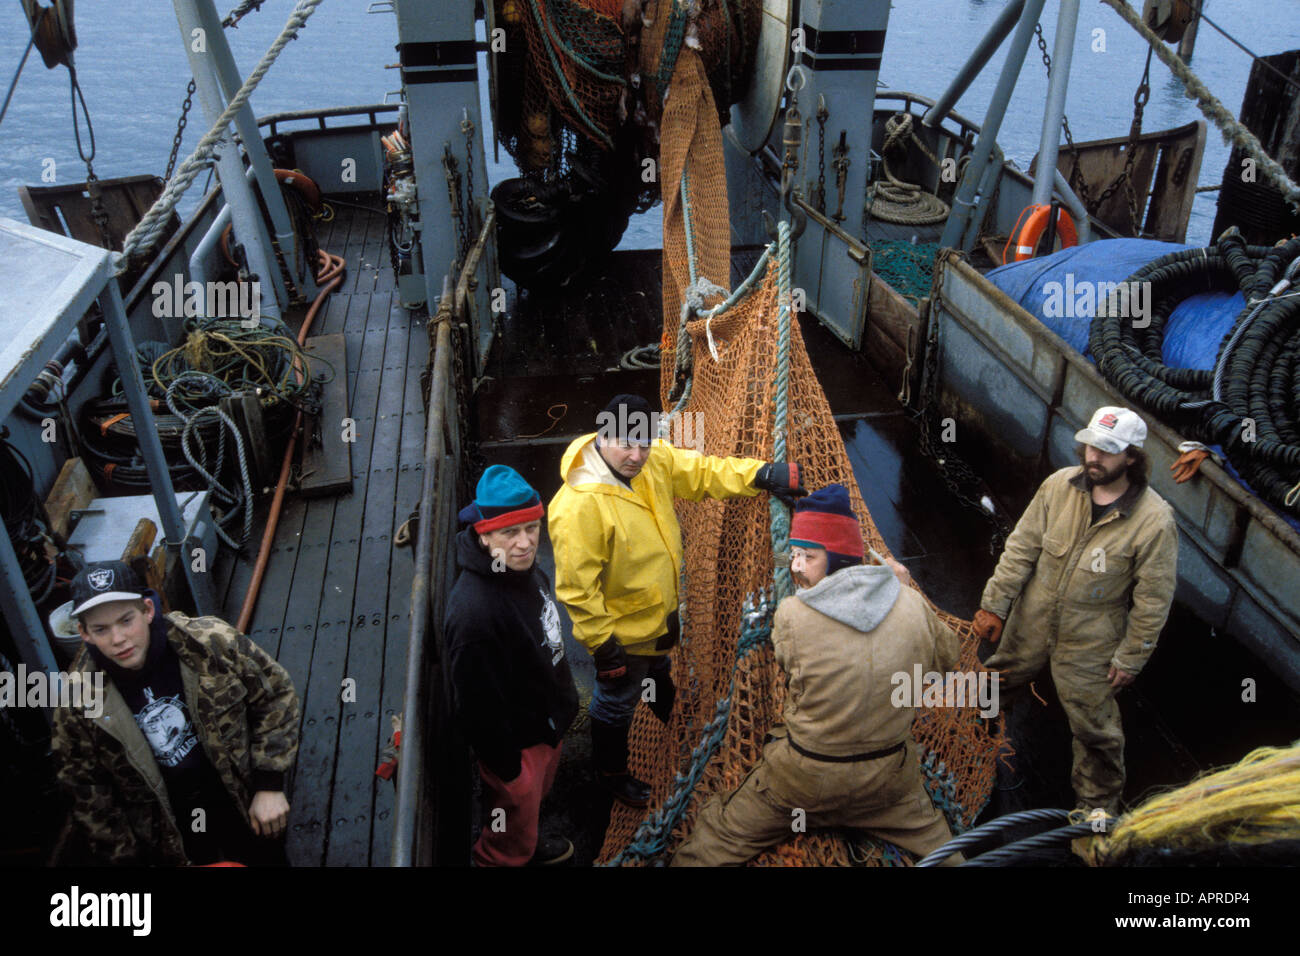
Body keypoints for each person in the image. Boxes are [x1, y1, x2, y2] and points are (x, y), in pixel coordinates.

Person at [671, 483, 963, 866]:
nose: (794, 567)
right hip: (888, 786)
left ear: (840, 558)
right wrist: (906, 592)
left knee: (715, 842)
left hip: (802, 785)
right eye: (793, 555)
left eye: (807, 556)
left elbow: (792, 671)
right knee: (950, 856)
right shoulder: (910, 604)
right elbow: (948, 658)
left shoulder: (792, 615)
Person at [548, 393, 806, 806]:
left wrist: (761, 474)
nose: (636, 456)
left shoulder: (654, 462)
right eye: (626, 444)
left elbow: (704, 473)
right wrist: (604, 649)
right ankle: (611, 773)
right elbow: (578, 590)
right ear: (603, 436)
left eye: (645, 444)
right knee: (615, 703)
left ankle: (672, 713)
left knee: (657, 673)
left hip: (662, 623)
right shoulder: (578, 507)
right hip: (624, 639)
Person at [973, 406, 1178, 815]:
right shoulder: (1058, 487)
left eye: (1107, 451)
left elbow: (1153, 600)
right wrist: (995, 604)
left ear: (1132, 457)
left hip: (1092, 641)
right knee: (995, 685)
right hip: (1031, 620)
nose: (1094, 457)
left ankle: (1095, 815)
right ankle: (975, 754)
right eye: (1090, 446)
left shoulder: (1155, 522)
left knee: (1096, 731)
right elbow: (1021, 548)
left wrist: (1131, 657)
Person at [52, 560, 300, 866]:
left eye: (126, 620)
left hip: (246, 804)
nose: (118, 639)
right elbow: (87, 790)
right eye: (101, 629)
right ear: (83, 633)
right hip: (171, 839)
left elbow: (275, 695)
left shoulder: (211, 642)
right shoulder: (78, 702)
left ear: (147, 610)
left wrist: (269, 784)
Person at [446, 465, 579, 866]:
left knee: (530, 808)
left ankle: (528, 839)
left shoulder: (519, 568)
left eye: (532, 528)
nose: (525, 543)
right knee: (510, 816)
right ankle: (500, 858)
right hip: (518, 745)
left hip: (546, 724)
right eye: (510, 532)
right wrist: (510, 771)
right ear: (485, 535)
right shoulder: (474, 615)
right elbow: (475, 708)